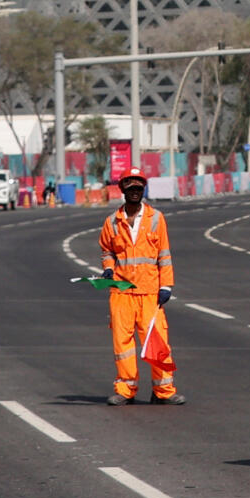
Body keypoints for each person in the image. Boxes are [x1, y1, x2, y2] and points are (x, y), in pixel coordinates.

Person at [99, 172, 182, 405]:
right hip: (121, 292)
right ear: (123, 190)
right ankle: (125, 390)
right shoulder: (112, 222)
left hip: (149, 293)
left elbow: (164, 254)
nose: (135, 190)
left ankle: (163, 390)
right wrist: (108, 269)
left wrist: (166, 286)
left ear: (143, 190)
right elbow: (107, 251)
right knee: (122, 344)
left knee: (157, 341)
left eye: (139, 187)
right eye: (130, 187)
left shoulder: (156, 218)